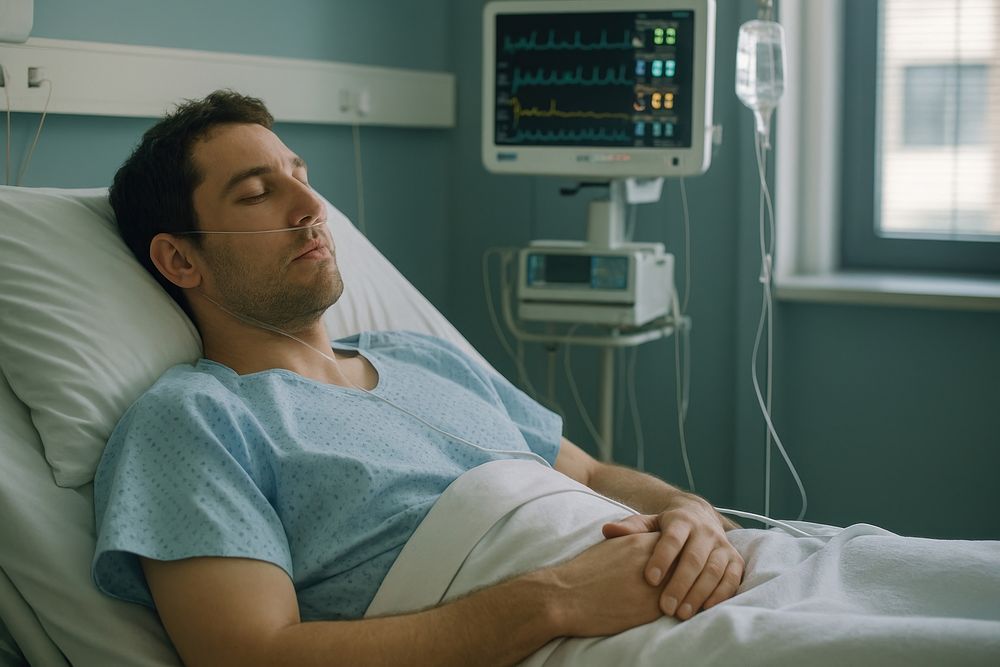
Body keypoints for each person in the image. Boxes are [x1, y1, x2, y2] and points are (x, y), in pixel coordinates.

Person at [92, 90, 743, 667]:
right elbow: (252, 653)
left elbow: (595, 476)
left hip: (699, 576)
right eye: (260, 193)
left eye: (303, 176)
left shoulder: (423, 356)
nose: (313, 205)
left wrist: (686, 509)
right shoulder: (197, 418)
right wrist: (557, 599)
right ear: (180, 258)